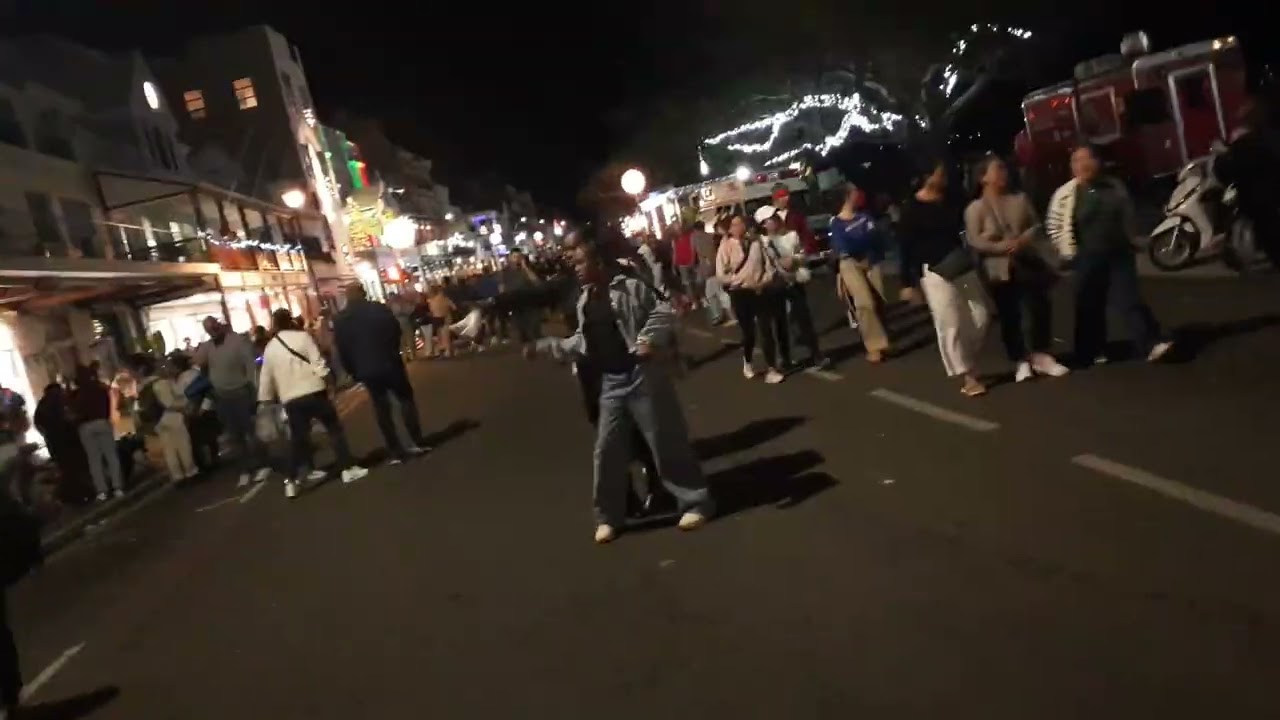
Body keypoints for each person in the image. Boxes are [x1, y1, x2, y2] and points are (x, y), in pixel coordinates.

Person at [536, 241, 712, 543]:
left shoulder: (631, 287)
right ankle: (609, 516)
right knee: (607, 451)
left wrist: (648, 339)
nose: (575, 268)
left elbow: (663, 312)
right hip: (612, 383)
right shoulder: (585, 300)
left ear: (598, 263)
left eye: (580, 262)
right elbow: (583, 341)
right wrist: (551, 346)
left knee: (664, 440)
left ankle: (695, 501)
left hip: (643, 375)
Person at [1047, 144, 1173, 365]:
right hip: (1086, 256)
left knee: (1129, 299)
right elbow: (1055, 225)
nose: (1083, 165)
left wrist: (1132, 239)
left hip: (1119, 253)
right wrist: (1066, 251)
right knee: (1089, 305)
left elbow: (1127, 215)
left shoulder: (1114, 187)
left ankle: (1151, 343)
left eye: (1088, 159)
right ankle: (1090, 351)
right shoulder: (1066, 194)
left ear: (1099, 162)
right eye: (1076, 160)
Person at [965, 155, 1070, 382]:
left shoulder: (1020, 199)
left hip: (1027, 262)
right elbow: (974, 240)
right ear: (983, 177)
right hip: (997, 268)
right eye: (997, 169)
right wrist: (1002, 246)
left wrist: (1023, 240)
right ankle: (1020, 359)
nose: (1003, 173)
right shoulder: (975, 208)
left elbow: (1035, 225)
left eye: (1004, 168)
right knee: (1009, 314)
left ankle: (1041, 354)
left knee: (1038, 307)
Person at [900, 160, 990, 397]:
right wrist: (908, 283)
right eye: (939, 173)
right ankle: (968, 375)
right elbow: (905, 248)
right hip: (935, 271)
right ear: (926, 176)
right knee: (950, 323)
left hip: (960, 264)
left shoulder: (952, 200)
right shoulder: (912, 208)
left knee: (980, 316)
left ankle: (969, 359)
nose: (943, 178)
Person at [260, 309, 369, 498]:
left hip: (290, 399)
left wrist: (265, 400)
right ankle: (347, 468)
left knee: (298, 439)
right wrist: (329, 381)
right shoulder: (303, 337)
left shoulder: (270, 348)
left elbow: (266, 377)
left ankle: (291, 481)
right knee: (333, 429)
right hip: (313, 391)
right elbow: (318, 362)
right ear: (291, 321)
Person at [333, 283, 430, 464]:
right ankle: (415, 440)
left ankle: (394, 450)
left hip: (366, 369)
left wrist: (353, 371)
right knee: (405, 398)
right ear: (363, 293)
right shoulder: (378, 309)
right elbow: (395, 331)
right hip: (389, 361)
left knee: (381, 408)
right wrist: (393, 350)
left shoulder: (341, 319)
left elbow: (342, 349)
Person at [194, 317, 272, 487]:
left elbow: (251, 367)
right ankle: (245, 469)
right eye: (209, 330)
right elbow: (198, 361)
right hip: (222, 397)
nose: (213, 332)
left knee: (251, 432)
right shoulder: (208, 347)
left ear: (219, 325)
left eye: (214, 328)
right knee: (234, 436)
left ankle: (262, 464)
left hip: (241, 393)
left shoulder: (238, 341)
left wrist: (255, 391)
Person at [715, 213, 788, 383]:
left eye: (741, 223)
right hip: (740, 293)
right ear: (730, 229)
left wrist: (764, 280)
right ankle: (747, 361)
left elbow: (768, 266)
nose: (738, 227)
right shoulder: (725, 246)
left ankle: (771, 368)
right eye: (734, 225)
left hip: (759, 291)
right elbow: (721, 274)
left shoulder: (756, 243)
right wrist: (738, 281)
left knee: (766, 329)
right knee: (748, 333)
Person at [757, 205, 829, 369]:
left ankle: (816, 354)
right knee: (780, 323)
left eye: (776, 217)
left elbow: (802, 254)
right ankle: (786, 358)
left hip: (793, 282)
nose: (775, 220)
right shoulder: (761, 243)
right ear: (763, 224)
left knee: (804, 318)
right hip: (774, 286)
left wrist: (794, 260)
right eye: (770, 219)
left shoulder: (792, 235)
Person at [830, 184, 891, 363]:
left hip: (871, 261)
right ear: (848, 196)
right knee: (864, 303)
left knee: (879, 300)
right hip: (850, 264)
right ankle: (874, 345)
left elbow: (875, 237)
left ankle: (884, 336)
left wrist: (863, 240)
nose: (860, 194)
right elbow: (844, 246)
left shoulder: (865, 217)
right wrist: (862, 239)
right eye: (856, 192)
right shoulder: (837, 223)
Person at [134, 355, 198, 483]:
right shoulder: (161, 382)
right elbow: (170, 402)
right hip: (173, 416)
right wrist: (183, 407)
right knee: (183, 445)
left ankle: (177, 476)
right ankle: (190, 472)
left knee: (169, 449)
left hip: (157, 420)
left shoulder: (141, 387)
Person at [68, 366, 124, 500]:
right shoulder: (100, 389)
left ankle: (102, 491)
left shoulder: (75, 394)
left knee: (94, 460)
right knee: (111, 456)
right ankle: (117, 488)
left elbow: (73, 412)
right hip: (102, 422)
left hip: (85, 426)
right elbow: (110, 404)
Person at [172, 353, 219, 472]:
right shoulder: (196, 374)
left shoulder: (182, 379)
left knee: (197, 439)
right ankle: (213, 458)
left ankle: (204, 464)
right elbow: (209, 391)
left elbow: (182, 397)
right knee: (209, 436)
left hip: (193, 411)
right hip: (204, 408)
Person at [500, 250, 544, 356]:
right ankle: (528, 347)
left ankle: (539, 346)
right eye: (514, 257)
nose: (517, 259)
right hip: (515, 304)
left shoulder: (527, 269)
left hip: (530, 302)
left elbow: (537, 282)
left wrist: (525, 268)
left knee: (534, 326)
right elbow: (502, 287)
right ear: (509, 258)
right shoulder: (505, 272)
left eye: (519, 257)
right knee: (521, 327)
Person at [771, 183, 819, 254]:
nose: (786, 198)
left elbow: (807, 237)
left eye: (787, 195)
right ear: (775, 198)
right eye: (782, 195)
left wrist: (804, 250)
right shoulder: (769, 217)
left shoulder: (797, 216)